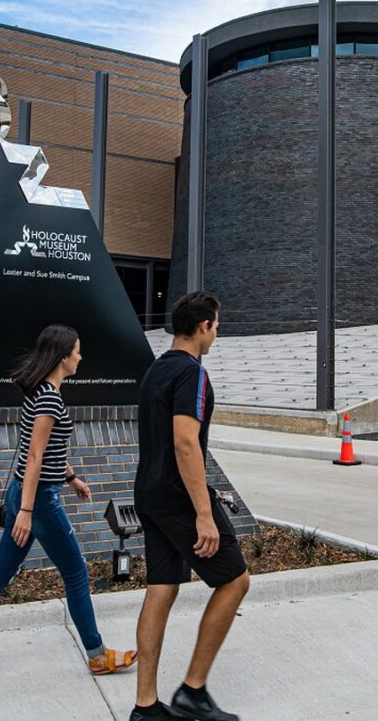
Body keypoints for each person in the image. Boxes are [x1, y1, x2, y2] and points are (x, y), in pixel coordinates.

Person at [0, 324, 137, 683]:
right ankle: (97, 656)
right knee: (76, 573)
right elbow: (34, 456)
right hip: (39, 500)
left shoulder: (39, 393)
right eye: (77, 350)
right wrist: (28, 512)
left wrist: (72, 477)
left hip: (27, 492)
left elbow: (46, 452)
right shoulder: (49, 398)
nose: (81, 356)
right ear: (63, 356)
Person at [130, 292, 249, 721]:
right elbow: (185, 442)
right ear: (203, 326)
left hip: (150, 494)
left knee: (161, 588)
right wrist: (204, 512)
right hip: (180, 499)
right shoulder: (192, 374)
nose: (217, 334)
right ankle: (192, 692)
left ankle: (146, 707)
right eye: (216, 326)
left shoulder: (156, 370)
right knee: (235, 581)